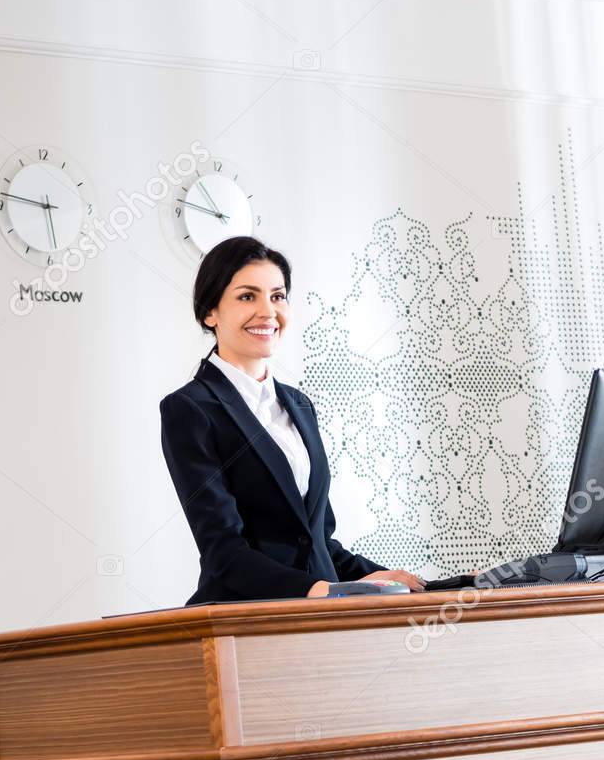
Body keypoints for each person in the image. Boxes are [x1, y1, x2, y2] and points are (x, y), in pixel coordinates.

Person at [161, 236, 424, 602]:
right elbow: (224, 552)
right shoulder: (190, 409)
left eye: (277, 296)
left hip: (319, 618)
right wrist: (318, 591)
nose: (268, 311)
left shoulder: (299, 405)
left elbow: (316, 542)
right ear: (210, 312)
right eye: (247, 296)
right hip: (241, 618)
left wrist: (379, 579)